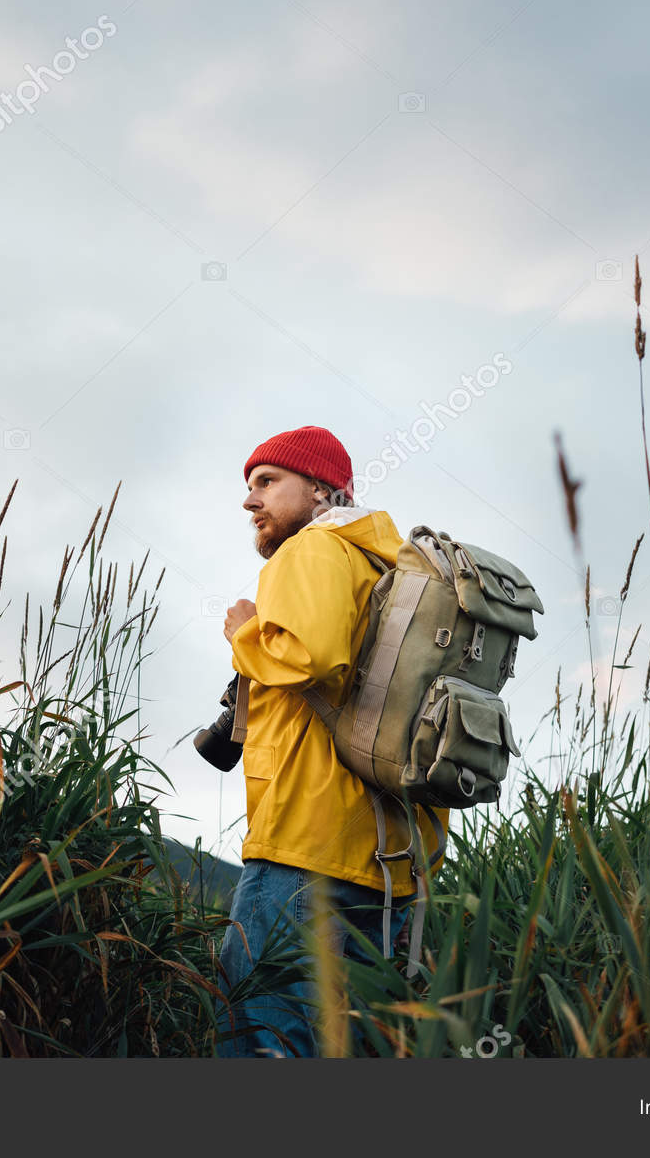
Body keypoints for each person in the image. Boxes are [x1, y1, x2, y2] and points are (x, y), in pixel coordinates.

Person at [215, 425, 448, 1058]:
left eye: (267, 482)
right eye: (249, 486)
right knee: (343, 1044)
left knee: (258, 1030)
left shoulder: (314, 550)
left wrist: (245, 633)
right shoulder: (387, 566)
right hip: (391, 859)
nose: (250, 501)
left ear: (320, 490)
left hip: (304, 847)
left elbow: (314, 657)